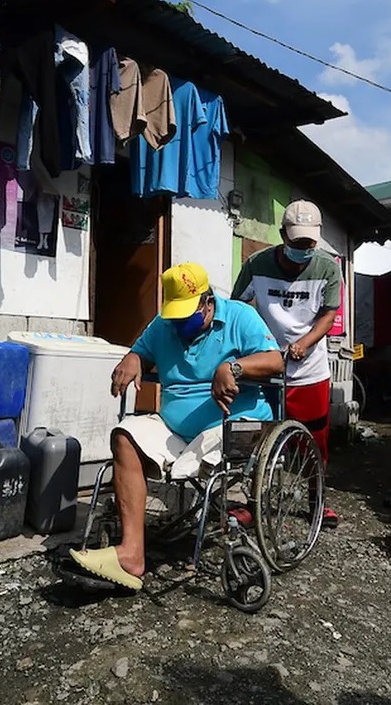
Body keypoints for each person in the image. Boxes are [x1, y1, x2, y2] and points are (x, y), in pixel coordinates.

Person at [67, 262, 283, 591]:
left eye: (187, 315)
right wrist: (133, 358)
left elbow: (275, 360)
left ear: (208, 302)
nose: (180, 323)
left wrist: (233, 367)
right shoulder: (164, 323)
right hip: (176, 429)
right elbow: (141, 351)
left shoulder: (241, 317)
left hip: (231, 424)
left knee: (206, 449)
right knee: (125, 437)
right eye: (175, 316)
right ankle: (131, 554)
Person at [232, 200, 343, 528]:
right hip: (265, 369)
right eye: (297, 243)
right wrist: (255, 345)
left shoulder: (328, 268)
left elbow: (328, 315)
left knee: (314, 443)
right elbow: (239, 307)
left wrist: (304, 344)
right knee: (258, 438)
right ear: (283, 235)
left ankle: (317, 502)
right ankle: (252, 503)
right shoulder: (257, 265)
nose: (303, 250)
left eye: (309, 243)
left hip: (309, 372)